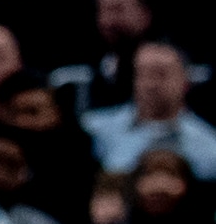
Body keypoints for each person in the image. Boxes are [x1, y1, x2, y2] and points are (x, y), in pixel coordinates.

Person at [87, 40, 216, 175]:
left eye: (161, 74)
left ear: (186, 81)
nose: (151, 84)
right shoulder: (94, 131)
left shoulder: (210, 148)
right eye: (142, 73)